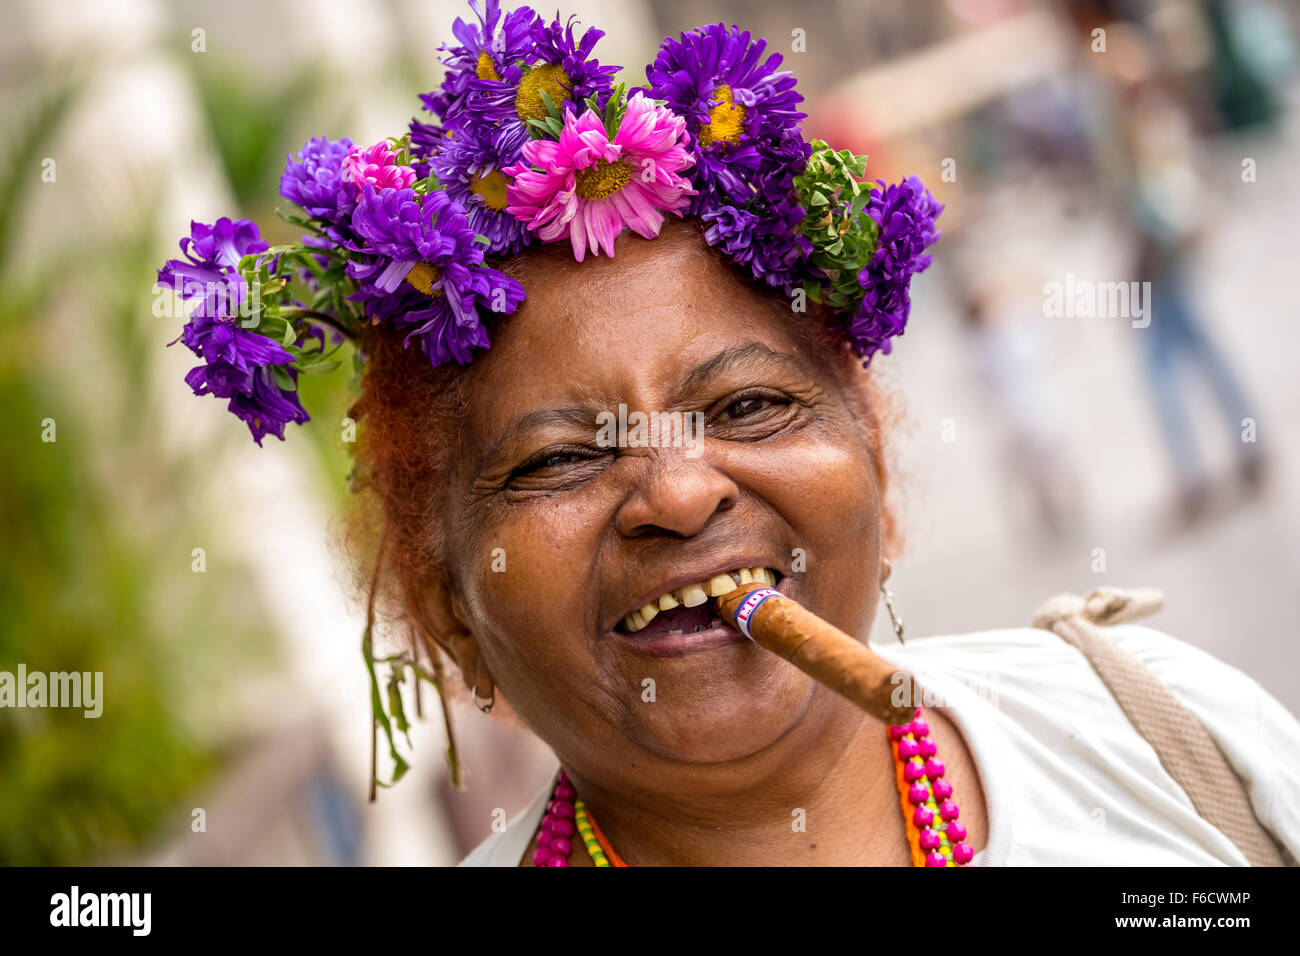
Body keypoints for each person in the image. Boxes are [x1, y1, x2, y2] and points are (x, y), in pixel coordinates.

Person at [158, 1, 1300, 866]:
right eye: (560, 457)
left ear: (874, 469)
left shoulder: (1164, 735)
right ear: (446, 606)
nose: (682, 490)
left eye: (749, 406)